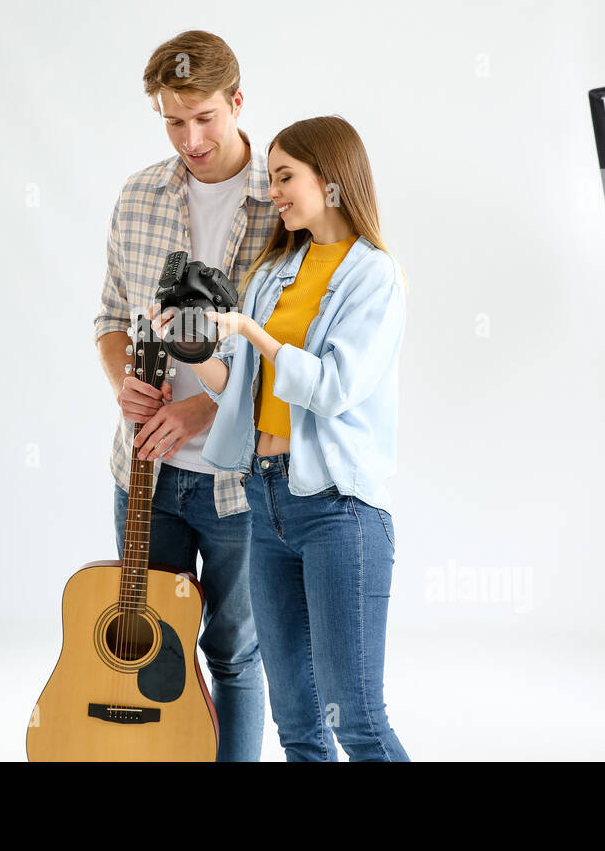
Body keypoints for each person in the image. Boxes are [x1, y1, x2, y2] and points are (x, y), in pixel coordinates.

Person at [151, 115, 410, 761]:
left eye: (286, 177)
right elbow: (238, 388)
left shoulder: (375, 276)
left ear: (334, 179)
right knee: (297, 724)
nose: (275, 193)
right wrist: (191, 343)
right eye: (272, 179)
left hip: (338, 512)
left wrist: (251, 332)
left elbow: (332, 386)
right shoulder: (274, 273)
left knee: (360, 723)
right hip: (265, 507)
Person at [93, 29, 278, 761]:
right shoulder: (138, 196)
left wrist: (203, 409)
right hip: (144, 476)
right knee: (151, 651)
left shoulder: (282, 198)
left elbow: (289, 349)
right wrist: (124, 388)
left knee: (233, 654)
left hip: (240, 482)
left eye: (204, 116)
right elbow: (111, 319)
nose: (190, 137)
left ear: (237, 101)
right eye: (173, 120)